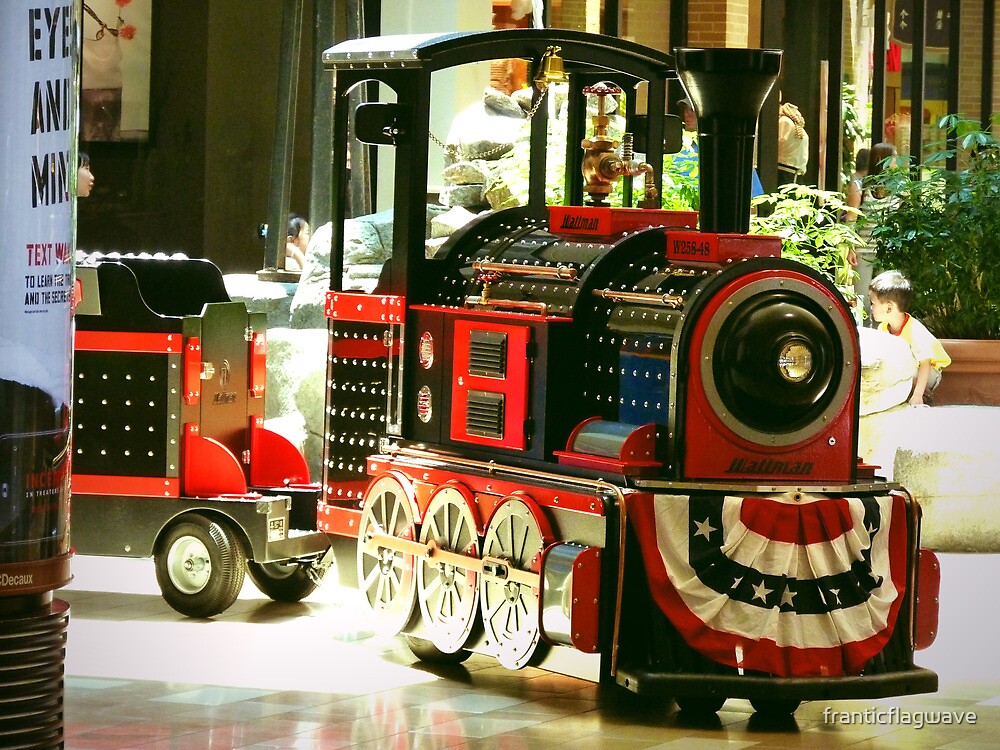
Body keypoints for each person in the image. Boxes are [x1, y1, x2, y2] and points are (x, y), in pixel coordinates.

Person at [868, 270, 950, 406]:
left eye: (873, 303)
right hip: (909, 370)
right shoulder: (883, 328)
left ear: (889, 308)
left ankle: (920, 393)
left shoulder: (914, 330)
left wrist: (917, 395)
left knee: (902, 363)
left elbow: (926, 362)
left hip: (929, 373)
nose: (871, 308)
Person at [848, 142, 898, 317]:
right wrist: (850, 247)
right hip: (864, 250)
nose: (896, 162)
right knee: (862, 299)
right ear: (881, 160)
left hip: (888, 251)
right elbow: (851, 218)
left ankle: (883, 335)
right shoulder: (860, 186)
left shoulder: (897, 188)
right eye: (893, 157)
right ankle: (862, 336)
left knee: (888, 299)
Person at [777, 101, 809, 184]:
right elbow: (780, 142)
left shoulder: (795, 125)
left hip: (794, 170)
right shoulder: (785, 122)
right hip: (787, 169)